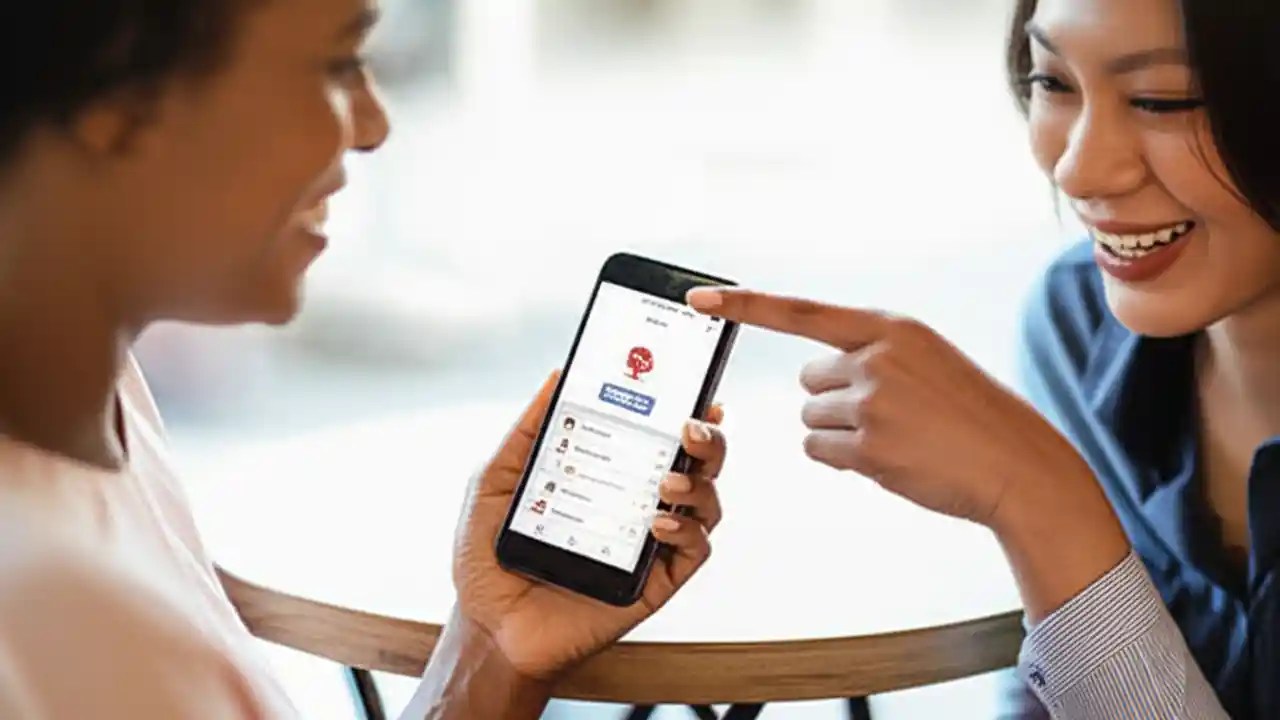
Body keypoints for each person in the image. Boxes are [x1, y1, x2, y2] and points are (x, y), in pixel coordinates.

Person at [0, 1, 729, 718]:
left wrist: (492, 649)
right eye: (338, 62)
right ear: (120, 99)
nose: (375, 127)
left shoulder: (100, 396)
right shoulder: (46, 607)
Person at [689, 0, 1278, 717]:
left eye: (1162, 99)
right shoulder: (1079, 332)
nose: (1079, 169)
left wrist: (1036, 494)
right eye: (1053, 83)